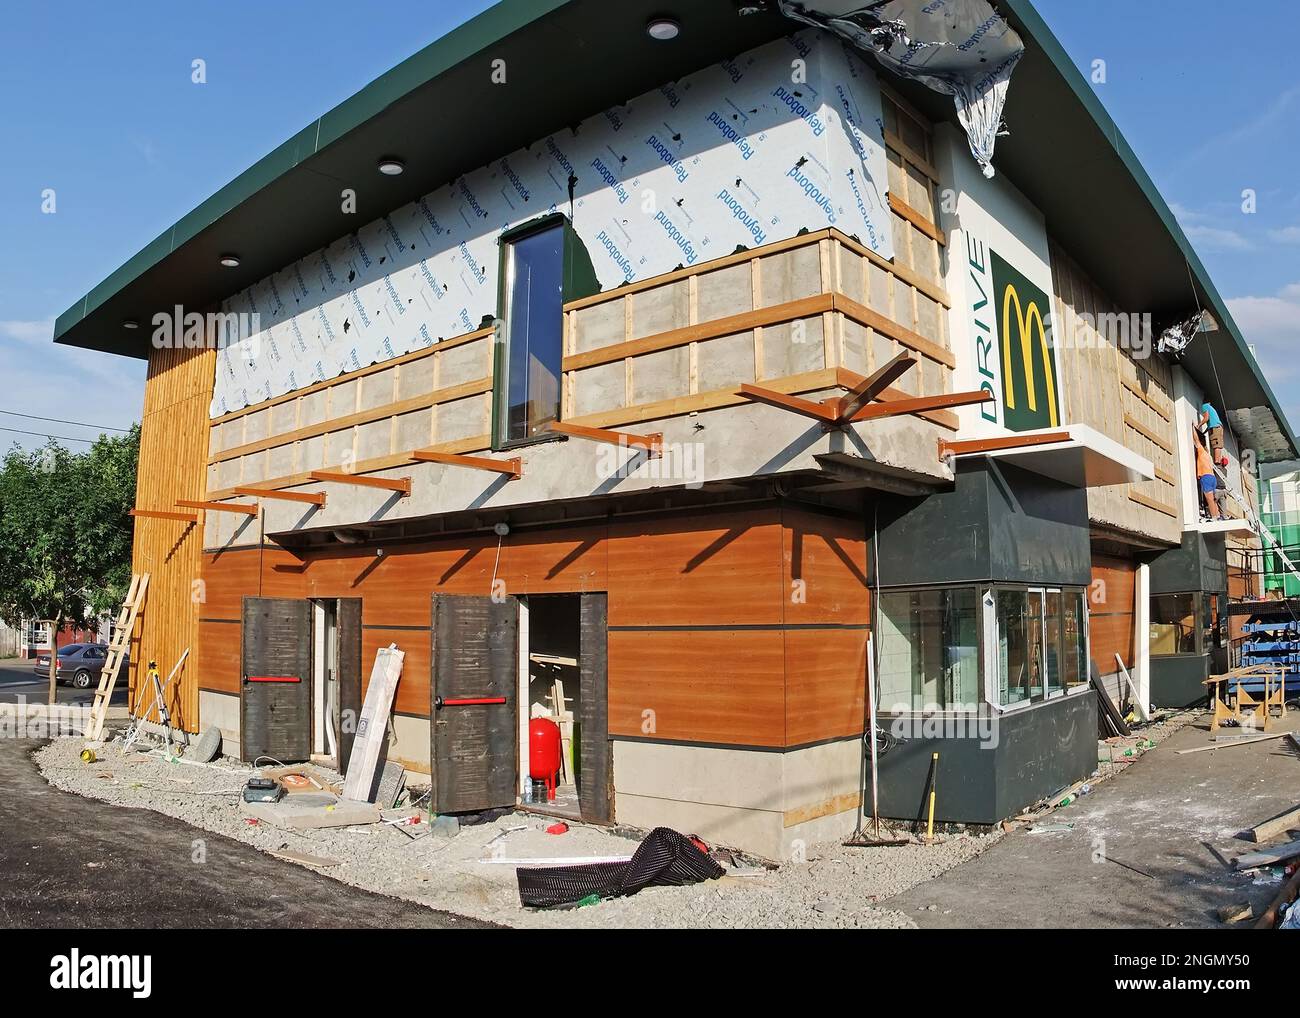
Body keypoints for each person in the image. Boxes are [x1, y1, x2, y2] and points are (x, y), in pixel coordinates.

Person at [1194, 430, 1222, 521]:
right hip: (1212, 477)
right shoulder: (1208, 455)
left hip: (1206, 476)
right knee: (1213, 499)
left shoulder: (1201, 451)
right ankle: (1217, 515)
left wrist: (1192, 428)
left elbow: (1196, 440)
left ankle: (1214, 517)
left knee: (1209, 499)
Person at [1199, 401, 1227, 467]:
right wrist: (1204, 432)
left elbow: (1206, 418)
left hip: (1215, 427)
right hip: (1218, 427)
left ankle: (1217, 461)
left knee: (1216, 444)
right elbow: (1209, 424)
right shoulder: (1211, 408)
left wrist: (1198, 425)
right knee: (1218, 444)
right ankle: (1218, 461)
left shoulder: (1205, 406)